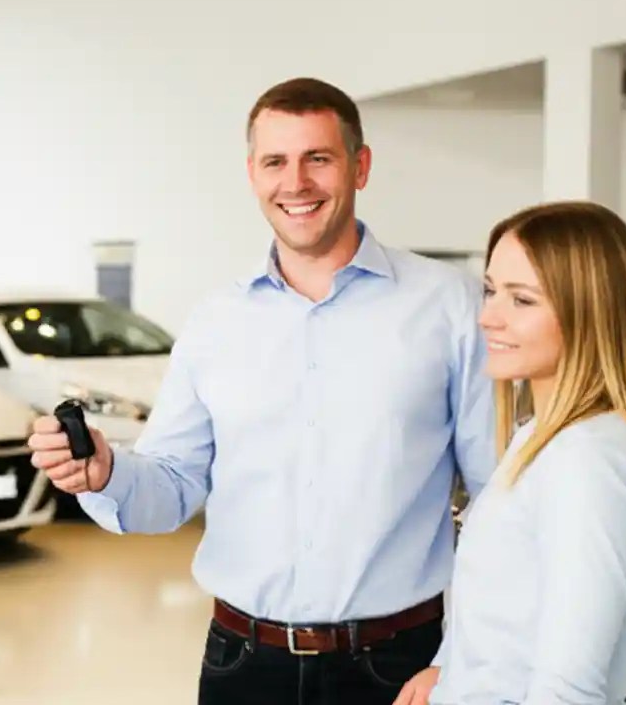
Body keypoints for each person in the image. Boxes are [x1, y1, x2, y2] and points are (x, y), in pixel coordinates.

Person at [26, 76, 496, 704]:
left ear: (360, 167)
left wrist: (461, 657)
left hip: (397, 669)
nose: (295, 182)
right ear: (252, 174)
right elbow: (172, 486)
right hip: (242, 666)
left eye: (318, 158)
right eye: (275, 161)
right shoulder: (215, 322)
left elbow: (498, 501)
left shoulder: (450, 307)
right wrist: (106, 473)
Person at [411, 201, 626, 705]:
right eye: (490, 291)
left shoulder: (588, 460)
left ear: (588, 313)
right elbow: (509, 617)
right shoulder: (542, 436)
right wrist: (448, 669)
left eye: (522, 300)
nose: (488, 318)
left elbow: (568, 691)